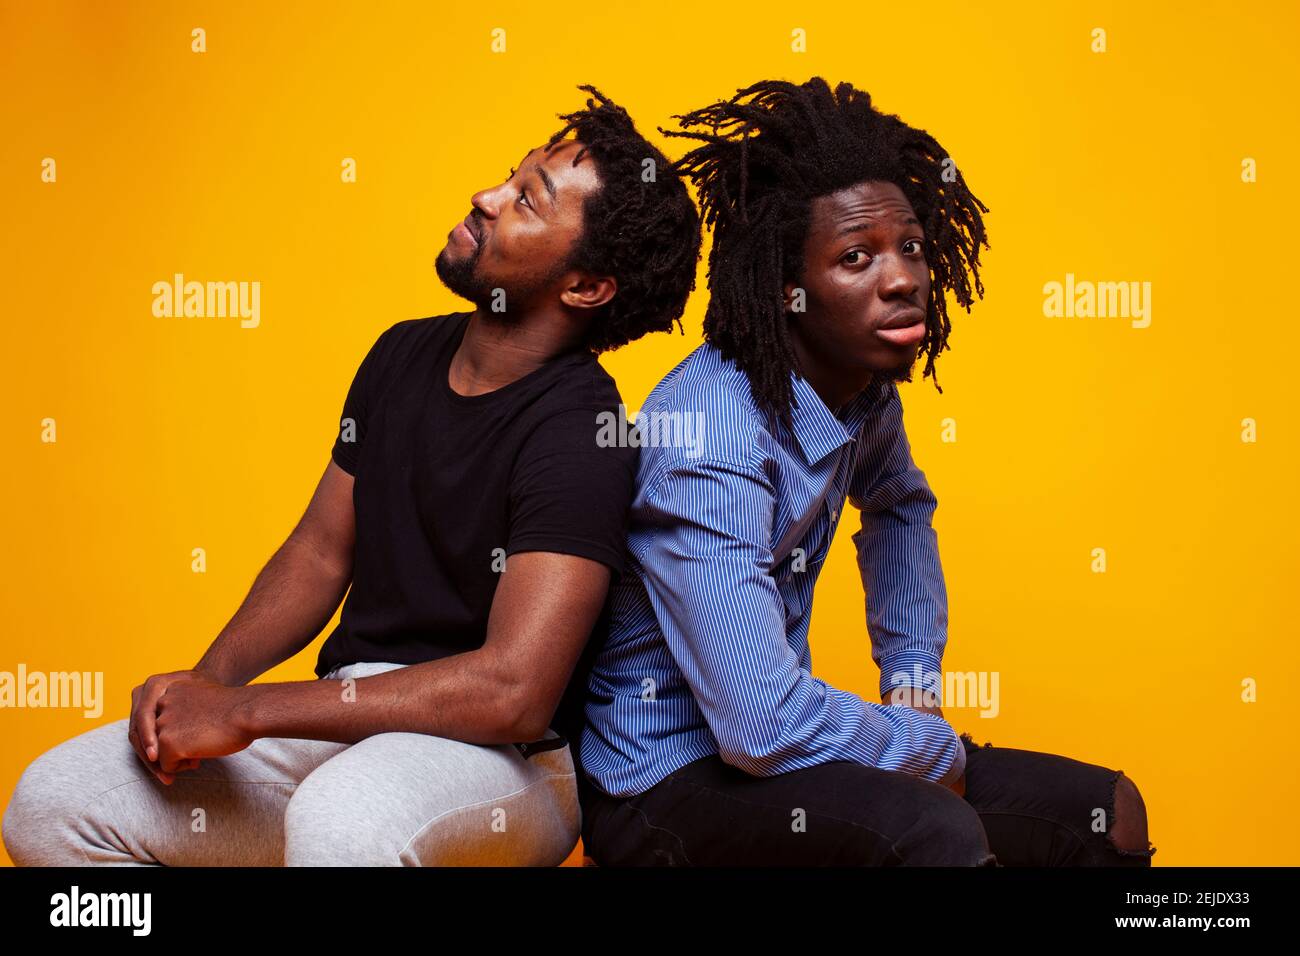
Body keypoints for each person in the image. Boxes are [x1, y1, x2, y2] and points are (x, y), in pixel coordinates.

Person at [2, 85, 702, 867]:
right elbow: (319, 552)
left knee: (346, 818)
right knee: (53, 803)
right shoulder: (401, 353)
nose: (487, 196)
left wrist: (248, 710)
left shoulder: (582, 433)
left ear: (585, 287)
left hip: (506, 762)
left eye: (526, 201)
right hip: (342, 716)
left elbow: (514, 690)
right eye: (510, 174)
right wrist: (204, 689)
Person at [574, 77, 1155, 866]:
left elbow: (901, 508)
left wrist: (912, 682)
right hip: (666, 784)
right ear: (790, 291)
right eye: (857, 257)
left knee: (1108, 814)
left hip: (777, 750)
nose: (902, 277)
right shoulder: (708, 438)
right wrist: (928, 746)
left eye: (909, 246)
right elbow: (760, 727)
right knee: (936, 832)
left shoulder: (862, 393)